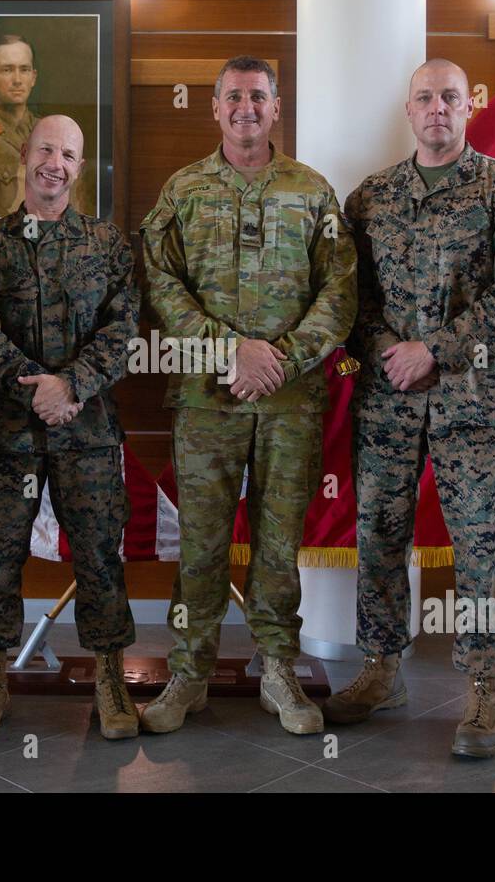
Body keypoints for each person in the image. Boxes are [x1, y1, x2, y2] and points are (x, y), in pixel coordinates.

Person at [327, 59, 495, 759]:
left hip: (475, 403)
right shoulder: (370, 199)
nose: (437, 109)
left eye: (450, 98)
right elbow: (348, 300)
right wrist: (391, 347)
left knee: (482, 549)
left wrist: (436, 352)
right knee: (380, 537)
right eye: (425, 98)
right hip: (388, 399)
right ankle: (381, 668)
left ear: (469, 107)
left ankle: (484, 689)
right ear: (409, 109)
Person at [139, 55, 357, 736]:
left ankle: (278, 671)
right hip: (207, 397)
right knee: (201, 544)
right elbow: (161, 285)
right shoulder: (183, 190)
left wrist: (281, 360)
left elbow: (340, 291)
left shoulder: (313, 192)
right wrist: (231, 350)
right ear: (214, 107)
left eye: (258, 97)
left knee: (276, 544)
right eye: (233, 97)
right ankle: (188, 674)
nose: (246, 108)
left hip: (290, 402)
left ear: (276, 106)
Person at [0, 115, 141, 742]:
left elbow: (122, 331)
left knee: (97, 557)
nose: (54, 163)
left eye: (68, 153)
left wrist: (73, 385)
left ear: (80, 167)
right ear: (25, 157)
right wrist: (40, 390)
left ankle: (112, 677)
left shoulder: (108, 245)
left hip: (86, 432)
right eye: (45, 150)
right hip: (10, 433)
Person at [0, 34, 94, 218]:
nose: (17, 79)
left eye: (25, 69)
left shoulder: (53, 134)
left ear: (33, 77)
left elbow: (77, 211)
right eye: (7, 70)